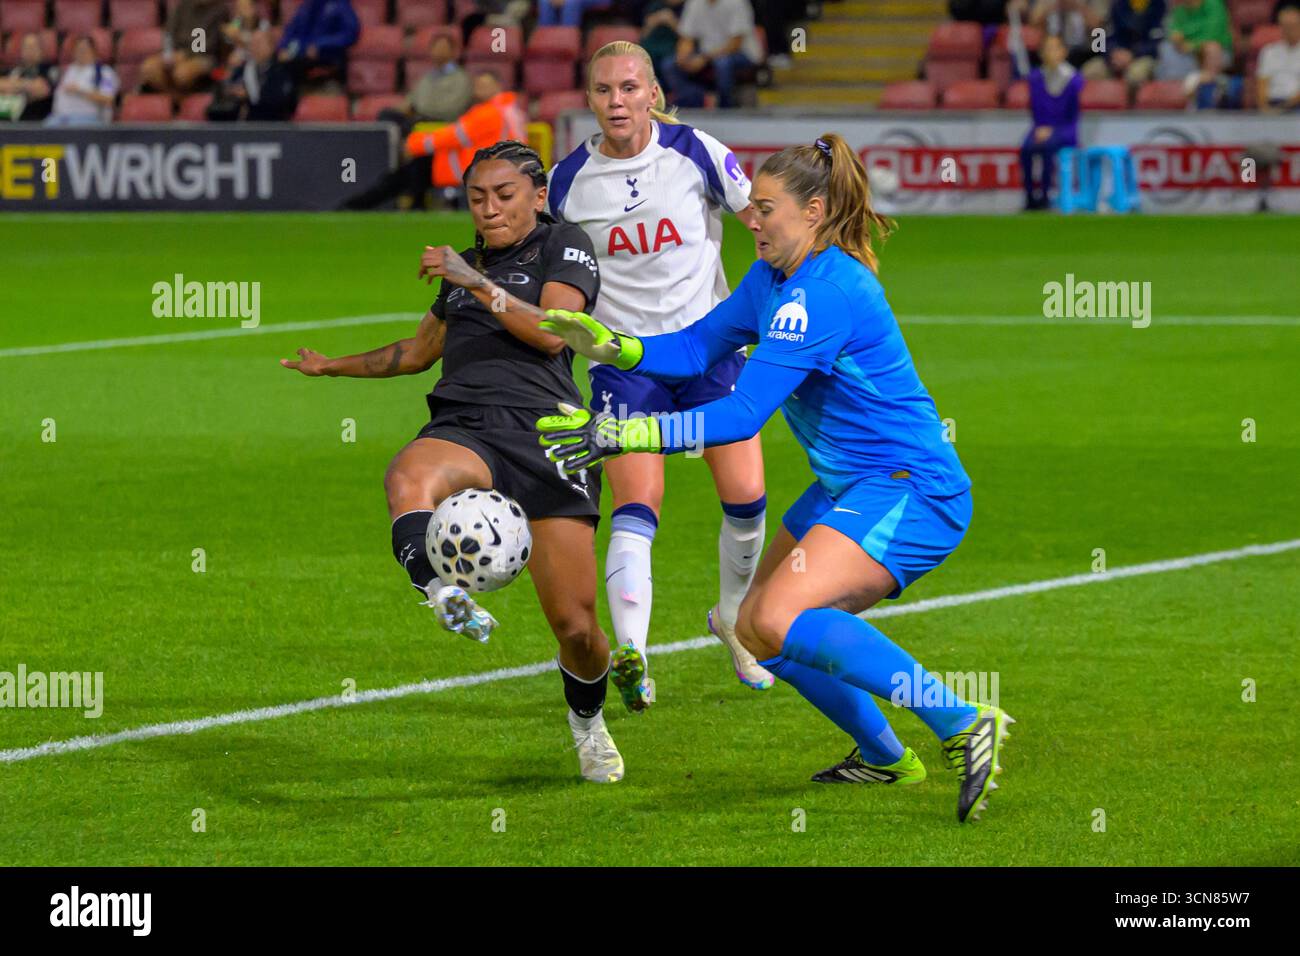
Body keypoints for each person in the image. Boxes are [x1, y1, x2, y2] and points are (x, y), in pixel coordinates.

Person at [535, 134, 1013, 823]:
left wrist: (635, 431)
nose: (749, 220)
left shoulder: (818, 295)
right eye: (750, 208)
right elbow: (701, 345)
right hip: (854, 485)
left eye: (764, 209)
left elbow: (742, 411)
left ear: (813, 212)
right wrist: (619, 346)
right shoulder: (774, 280)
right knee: (750, 629)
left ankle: (965, 722)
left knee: (776, 617)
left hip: (910, 488)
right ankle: (884, 758)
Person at [283, 141, 626, 784]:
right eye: (476, 198)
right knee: (407, 477)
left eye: (503, 195)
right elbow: (416, 354)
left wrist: (476, 282)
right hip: (467, 425)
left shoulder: (564, 245)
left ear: (538, 196)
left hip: (549, 436)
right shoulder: (464, 268)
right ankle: (440, 591)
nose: (488, 209)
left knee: (576, 628)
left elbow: (555, 332)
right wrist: (330, 365)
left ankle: (587, 724)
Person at [546, 41, 770, 712]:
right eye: (604, 90)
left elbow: (760, 217)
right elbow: (553, 272)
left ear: (653, 95)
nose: (617, 101)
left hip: (710, 352)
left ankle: (732, 620)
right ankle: (634, 652)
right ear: (589, 99)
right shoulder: (567, 182)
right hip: (626, 364)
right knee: (638, 505)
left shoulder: (695, 151)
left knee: (747, 499)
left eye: (629, 88)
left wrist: (780, 298)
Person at [342, 70, 524, 210]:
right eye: (477, 85)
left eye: (484, 85)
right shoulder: (510, 110)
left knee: (411, 171)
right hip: (491, 167)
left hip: (473, 168)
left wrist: (414, 144)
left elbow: (454, 136)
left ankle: (356, 206)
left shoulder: (489, 112)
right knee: (410, 174)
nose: (478, 90)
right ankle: (403, 204)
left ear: (498, 86)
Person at [1020, 33, 1082, 210]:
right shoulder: (1035, 79)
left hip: (1065, 129)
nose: (1051, 53)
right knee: (1026, 149)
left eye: (1055, 48)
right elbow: (1035, 110)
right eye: (1047, 48)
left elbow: (1072, 114)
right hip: (1040, 127)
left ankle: (1046, 197)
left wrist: (1052, 130)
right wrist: (1041, 129)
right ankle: (1030, 197)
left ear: (1064, 52)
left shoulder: (1074, 80)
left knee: (1047, 147)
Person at [660, 0, 762, 108]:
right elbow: (687, 37)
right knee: (670, 64)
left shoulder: (737, 3)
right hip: (706, 54)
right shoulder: (694, 3)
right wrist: (682, 56)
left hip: (743, 54)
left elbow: (735, 44)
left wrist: (704, 58)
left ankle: (726, 107)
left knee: (722, 64)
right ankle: (694, 99)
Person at [141, 0, 228, 103]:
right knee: (148, 68)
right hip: (177, 53)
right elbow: (168, 33)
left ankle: (177, 104)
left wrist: (185, 55)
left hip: (204, 57)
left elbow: (210, 45)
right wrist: (168, 54)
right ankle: (176, 100)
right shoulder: (182, 6)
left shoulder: (220, 10)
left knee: (182, 73)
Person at [209, 29, 298, 121]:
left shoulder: (281, 70)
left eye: (259, 43)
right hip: (240, 127)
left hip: (272, 125)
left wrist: (249, 96)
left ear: (271, 46)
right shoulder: (242, 70)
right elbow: (225, 94)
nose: (255, 47)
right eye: (252, 43)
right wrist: (230, 75)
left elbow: (284, 102)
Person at [1086, 0, 1167, 87]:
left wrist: (1132, 54)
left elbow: (1157, 42)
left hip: (1144, 56)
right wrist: (1113, 52)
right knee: (1090, 72)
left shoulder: (1158, 5)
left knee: (1135, 76)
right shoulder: (1118, 4)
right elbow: (1107, 37)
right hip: (1116, 56)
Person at [276, 0, 360, 83]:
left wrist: (320, 44)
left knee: (286, 70)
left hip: (327, 57)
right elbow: (292, 30)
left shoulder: (340, 4)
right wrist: (283, 46)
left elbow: (351, 33)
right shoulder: (307, 5)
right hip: (301, 54)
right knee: (275, 64)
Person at [44, 35, 118, 127]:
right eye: (78, 49)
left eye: (84, 49)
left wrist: (80, 90)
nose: (81, 53)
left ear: (93, 51)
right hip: (60, 119)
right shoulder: (69, 70)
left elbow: (108, 99)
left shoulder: (104, 72)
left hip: (89, 120)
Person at [1156, 0, 1233, 81]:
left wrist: (1192, 45)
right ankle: (1177, 81)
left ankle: (1207, 82)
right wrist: (1176, 37)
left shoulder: (1213, 3)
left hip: (1216, 51)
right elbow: (1175, 30)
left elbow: (1214, 34)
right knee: (1166, 47)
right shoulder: (1180, 9)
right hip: (1189, 53)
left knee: (1212, 47)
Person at [0, 33, 58, 122]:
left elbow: (42, 89)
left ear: (41, 50)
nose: (29, 51)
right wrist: (28, 87)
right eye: (26, 47)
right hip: (10, 123)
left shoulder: (48, 68)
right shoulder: (16, 70)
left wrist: (15, 86)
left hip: (37, 123)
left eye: (33, 47)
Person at [1258, 5, 1300, 113]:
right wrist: (1264, 108)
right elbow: (1261, 84)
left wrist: (1284, 108)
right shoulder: (1268, 52)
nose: (1289, 30)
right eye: (1286, 26)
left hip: (1296, 105)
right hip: (1273, 102)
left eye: (1293, 26)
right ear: (1280, 27)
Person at [1184, 39, 1241, 108]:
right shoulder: (1194, 77)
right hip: (1197, 117)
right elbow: (1186, 98)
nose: (1216, 60)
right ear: (1203, 58)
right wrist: (1200, 83)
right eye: (1212, 56)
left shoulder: (1225, 79)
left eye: (1219, 56)